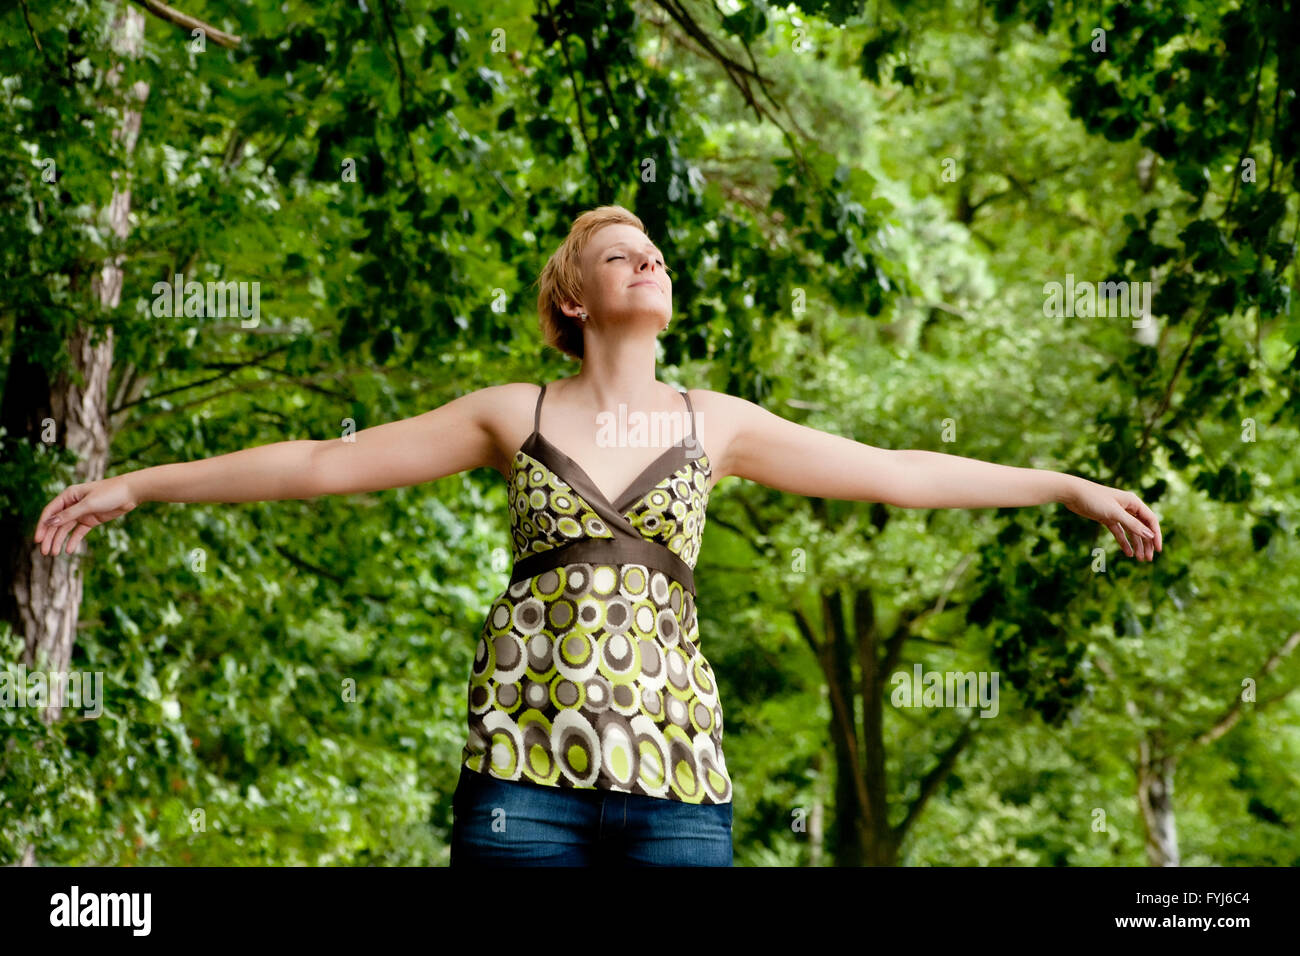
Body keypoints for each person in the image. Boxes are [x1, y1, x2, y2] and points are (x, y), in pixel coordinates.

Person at [32, 204, 1162, 867]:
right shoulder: (507, 413)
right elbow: (325, 464)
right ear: (572, 297)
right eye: (620, 252)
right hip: (522, 785)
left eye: (654, 250)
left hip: (677, 781)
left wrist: (1062, 484)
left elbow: (899, 472)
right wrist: (143, 482)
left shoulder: (713, 423)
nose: (647, 258)